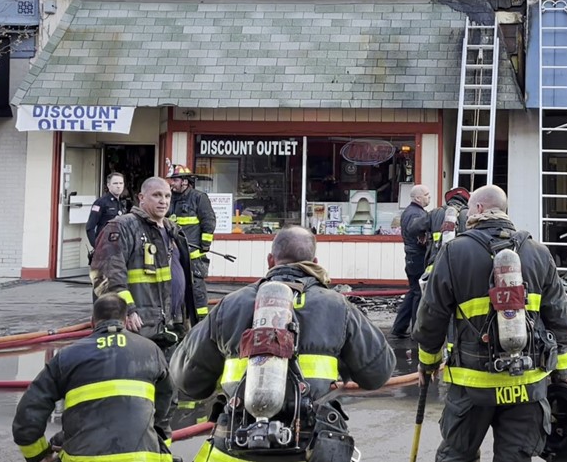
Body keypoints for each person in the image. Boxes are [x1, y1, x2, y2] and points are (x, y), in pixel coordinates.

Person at [171, 226, 396, 462]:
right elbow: (377, 374)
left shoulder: (230, 305)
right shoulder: (338, 307)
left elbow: (188, 381)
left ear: (270, 261)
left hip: (237, 445)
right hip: (311, 447)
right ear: (315, 261)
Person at [413, 184, 567, 462]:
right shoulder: (539, 252)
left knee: (457, 457)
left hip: (472, 387)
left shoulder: (454, 253)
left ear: (477, 209)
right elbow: (559, 320)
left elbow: (431, 317)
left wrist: (427, 363)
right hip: (527, 387)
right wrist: (563, 375)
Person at [12, 294, 175, 462]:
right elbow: (167, 399)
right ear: (126, 321)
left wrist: (40, 455)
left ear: (92, 322)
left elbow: (28, 413)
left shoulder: (67, 357)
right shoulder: (151, 351)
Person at [92, 176, 197, 355]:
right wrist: (126, 311)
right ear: (141, 198)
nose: (163, 201)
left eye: (167, 196)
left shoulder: (172, 230)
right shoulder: (122, 227)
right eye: (157, 195)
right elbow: (106, 274)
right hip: (139, 326)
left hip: (172, 325)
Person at [167, 164, 217, 321]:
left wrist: (205, 244)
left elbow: (209, 221)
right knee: (175, 287)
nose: (171, 183)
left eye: (174, 180)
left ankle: (201, 323)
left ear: (185, 181)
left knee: (196, 290)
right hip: (173, 254)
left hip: (193, 254)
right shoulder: (168, 198)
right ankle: (179, 322)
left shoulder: (198, 198)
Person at [391, 184, 431, 339]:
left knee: (413, 292)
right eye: (427, 194)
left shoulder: (411, 212)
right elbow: (418, 236)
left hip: (412, 258)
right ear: (417, 198)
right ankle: (416, 330)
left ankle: (399, 328)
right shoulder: (416, 215)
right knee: (418, 294)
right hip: (418, 258)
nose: (429, 197)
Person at [85, 172, 129, 259]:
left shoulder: (121, 203)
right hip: (105, 247)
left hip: (119, 247)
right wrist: (97, 247)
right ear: (108, 185)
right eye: (115, 183)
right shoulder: (101, 203)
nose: (118, 186)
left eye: (121, 183)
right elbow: (90, 227)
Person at [424, 186, 470, 269]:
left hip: (436, 261)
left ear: (449, 200)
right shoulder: (470, 215)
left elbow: (414, 228)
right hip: (463, 262)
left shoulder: (435, 212)